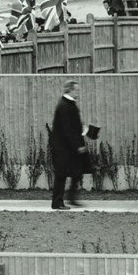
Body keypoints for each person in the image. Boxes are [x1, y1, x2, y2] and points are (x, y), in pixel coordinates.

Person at [49, 79, 88, 210]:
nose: (78, 92)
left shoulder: (68, 104)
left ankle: (70, 197)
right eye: (76, 90)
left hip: (68, 147)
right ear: (69, 90)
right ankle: (57, 202)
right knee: (61, 174)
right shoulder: (65, 106)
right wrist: (78, 145)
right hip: (63, 148)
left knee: (76, 171)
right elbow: (67, 129)